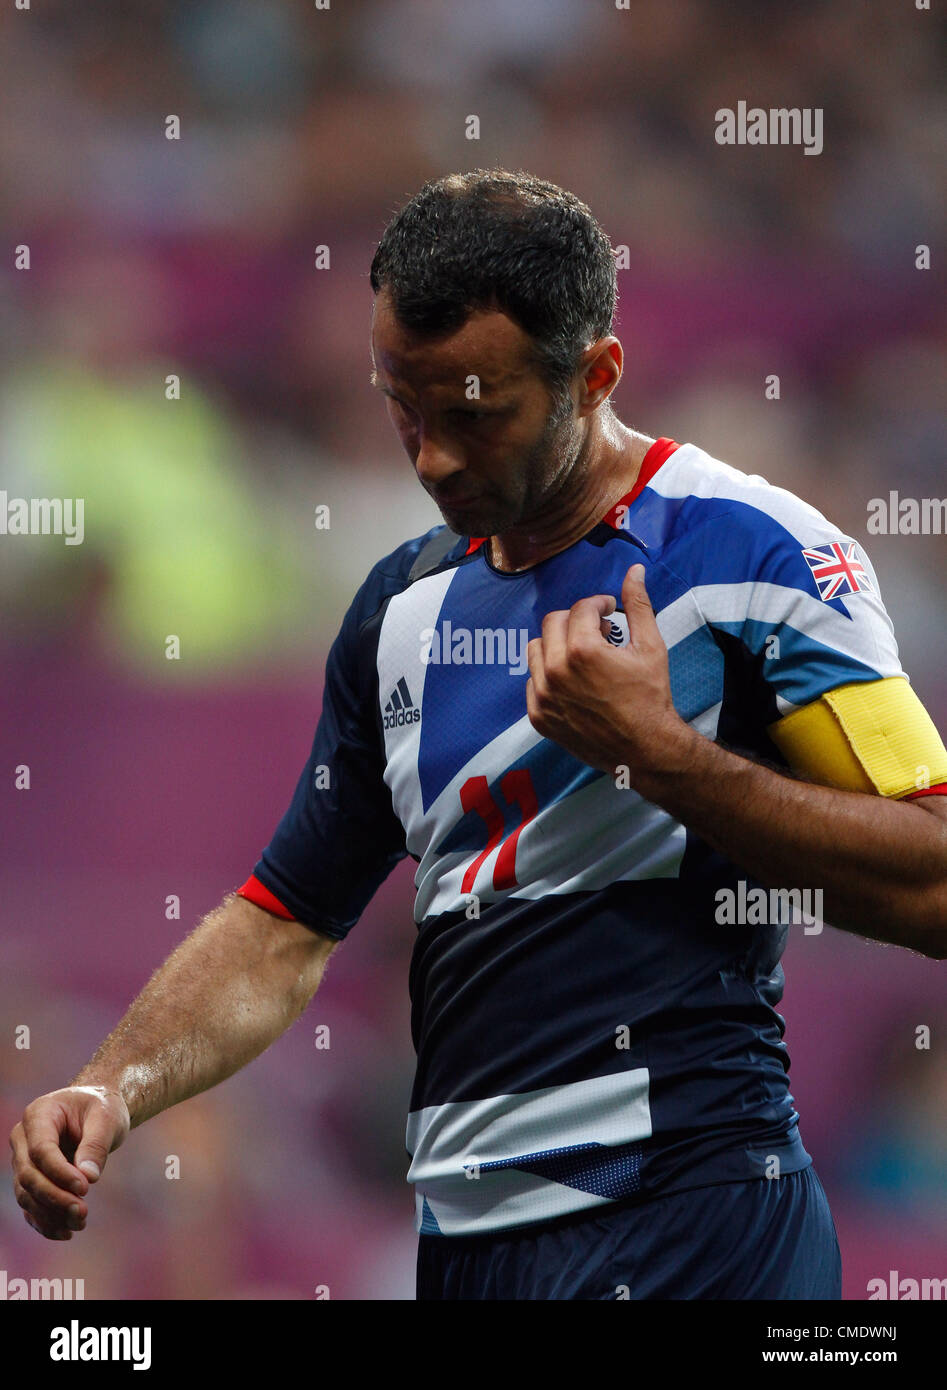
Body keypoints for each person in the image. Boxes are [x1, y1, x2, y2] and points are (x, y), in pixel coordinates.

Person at [10, 169, 947, 1300]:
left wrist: (664, 759)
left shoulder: (757, 552)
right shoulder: (396, 607)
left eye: (474, 413)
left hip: (696, 1216)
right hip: (470, 1243)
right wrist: (116, 1084)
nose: (433, 456)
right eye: (403, 405)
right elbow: (282, 926)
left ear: (594, 374)